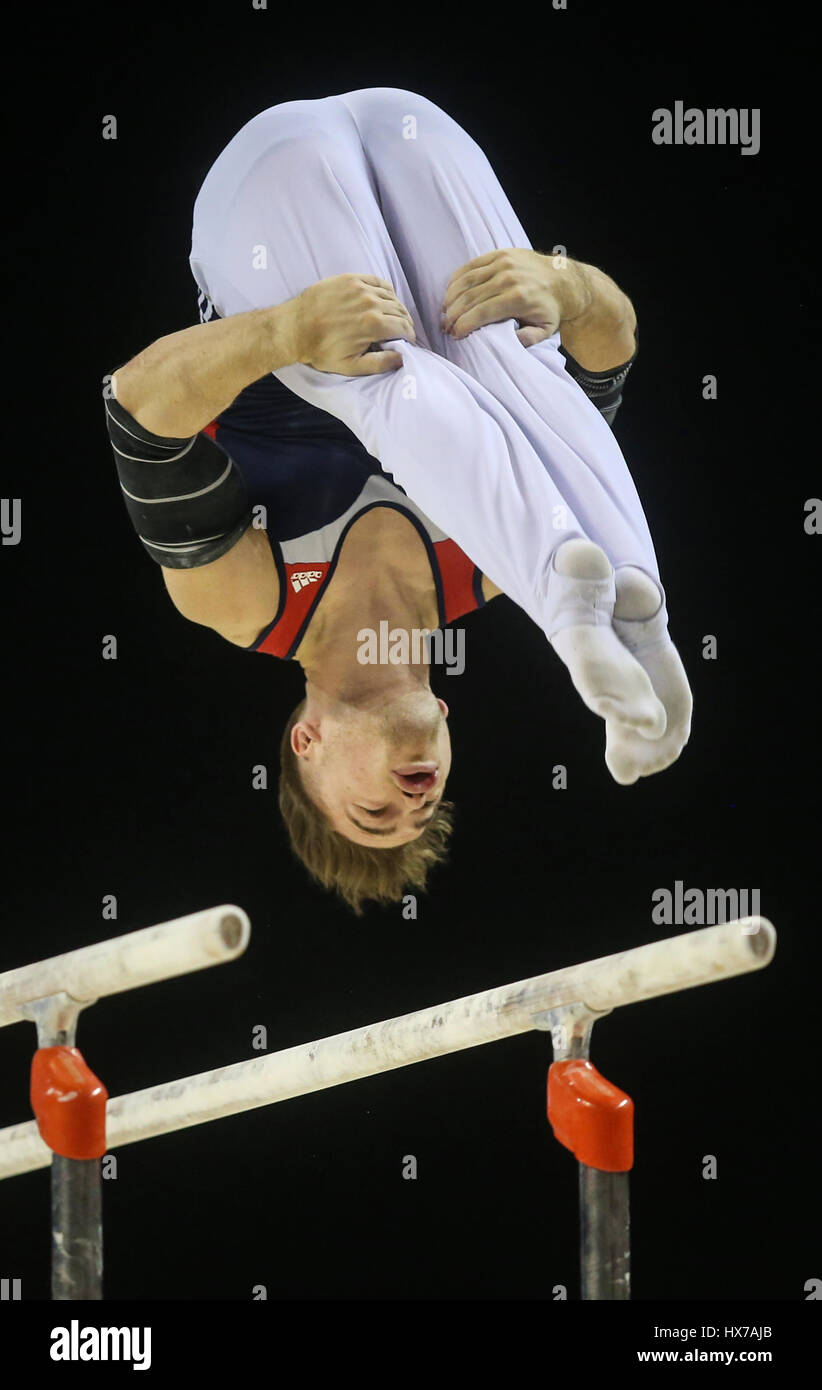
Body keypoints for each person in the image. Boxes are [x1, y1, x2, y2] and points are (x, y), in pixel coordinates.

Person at [105, 87, 692, 912]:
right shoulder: (491, 564)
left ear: (305, 744)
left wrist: (284, 331)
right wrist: (571, 289)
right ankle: (637, 609)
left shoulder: (244, 600)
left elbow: (136, 409)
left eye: (374, 814)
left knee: (375, 372)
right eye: (426, 807)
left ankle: (586, 610)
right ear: (448, 718)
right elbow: (606, 358)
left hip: (269, 200)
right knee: (515, 372)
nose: (412, 801)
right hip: (419, 131)